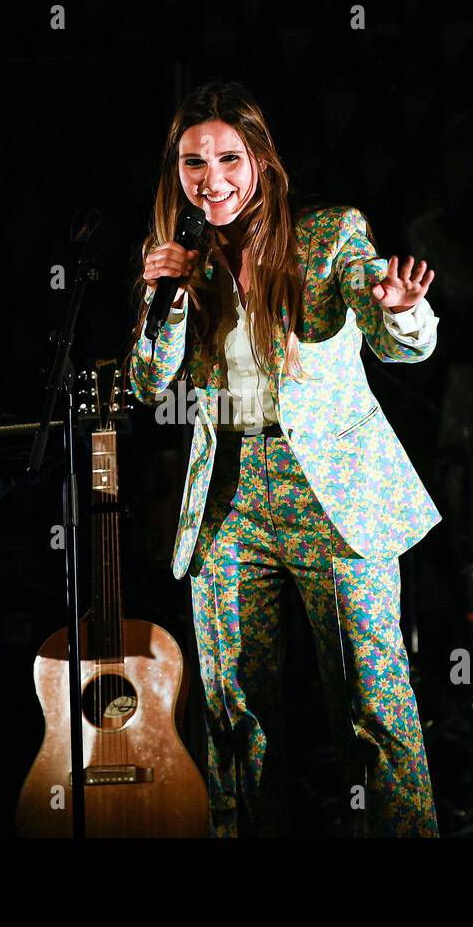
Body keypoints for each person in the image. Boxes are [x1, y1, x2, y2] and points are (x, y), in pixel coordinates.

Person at [123, 80, 444, 837]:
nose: (213, 179)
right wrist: (164, 295)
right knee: (236, 715)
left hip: (328, 491)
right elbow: (145, 383)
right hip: (229, 496)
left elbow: (397, 340)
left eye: (229, 158)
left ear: (260, 160)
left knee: (375, 703)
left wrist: (404, 310)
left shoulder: (329, 235)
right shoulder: (179, 259)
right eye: (193, 163)